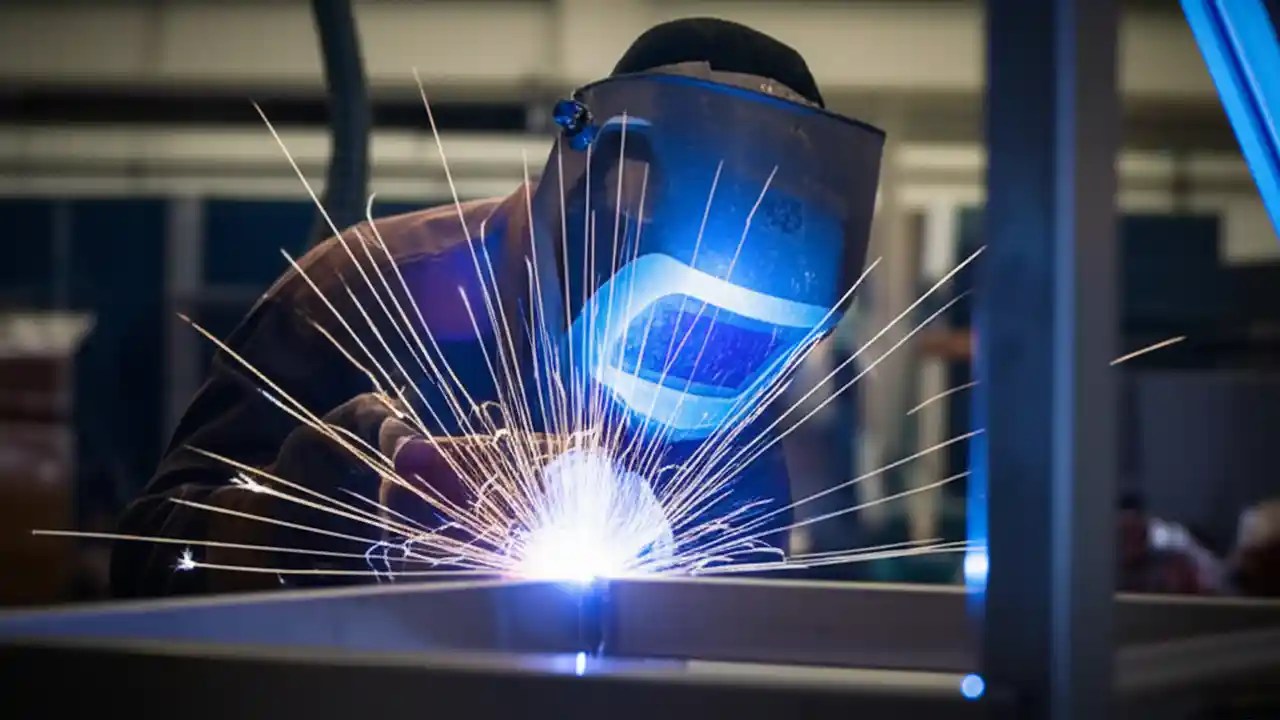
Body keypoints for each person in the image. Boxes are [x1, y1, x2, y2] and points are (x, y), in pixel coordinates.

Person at [109, 17, 885, 597]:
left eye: (740, 348)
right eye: (681, 325)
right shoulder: (367, 290)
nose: (703, 367)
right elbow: (149, 562)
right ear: (605, 207)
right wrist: (363, 494)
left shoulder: (738, 434)